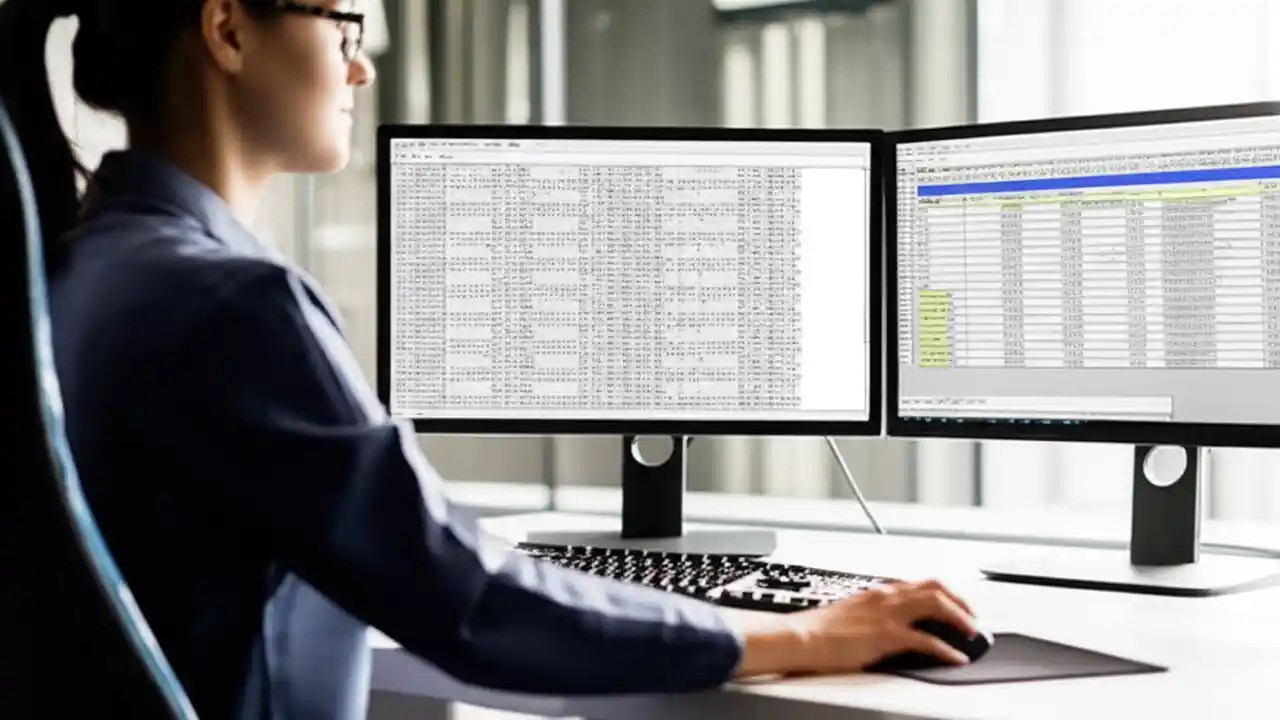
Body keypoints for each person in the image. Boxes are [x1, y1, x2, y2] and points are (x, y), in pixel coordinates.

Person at [1, 0, 982, 717]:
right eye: (346, 27)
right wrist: (802, 634)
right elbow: (466, 601)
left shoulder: (86, 267)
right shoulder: (236, 303)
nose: (361, 69)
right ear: (226, 31)